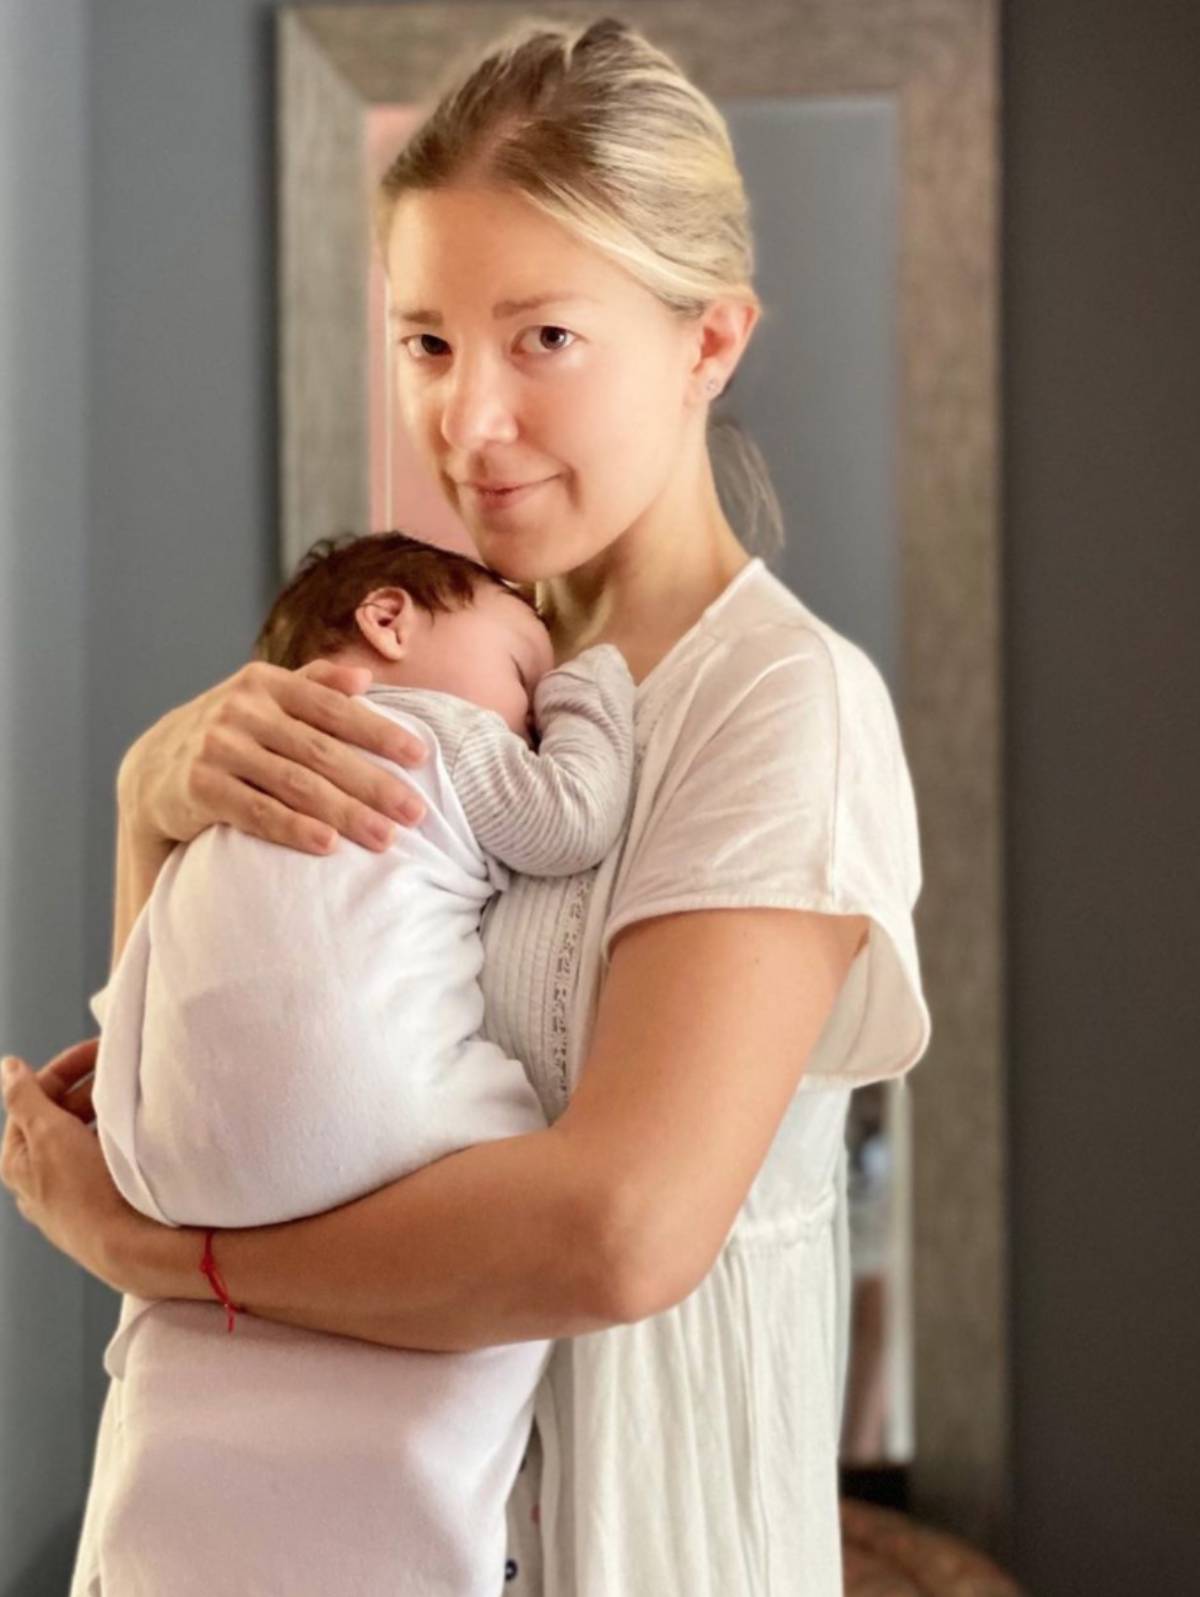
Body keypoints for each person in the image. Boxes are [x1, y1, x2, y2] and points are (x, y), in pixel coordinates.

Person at [0, 15, 933, 1594]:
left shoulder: (780, 706)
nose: (467, 420)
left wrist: (161, 1257)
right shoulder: (436, 675)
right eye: (427, 341)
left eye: (542, 338)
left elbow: (616, 1232)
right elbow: (233, 1088)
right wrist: (148, 803)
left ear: (709, 341)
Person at [77, 528, 636, 1595]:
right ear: (389, 620)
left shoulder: (218, 811)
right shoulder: (429, 731)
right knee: (519, 1132)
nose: (530, 708)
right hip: (368, 1135)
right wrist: (594, 686)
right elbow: (570, 819)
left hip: (163, 1165)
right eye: (524, 670)